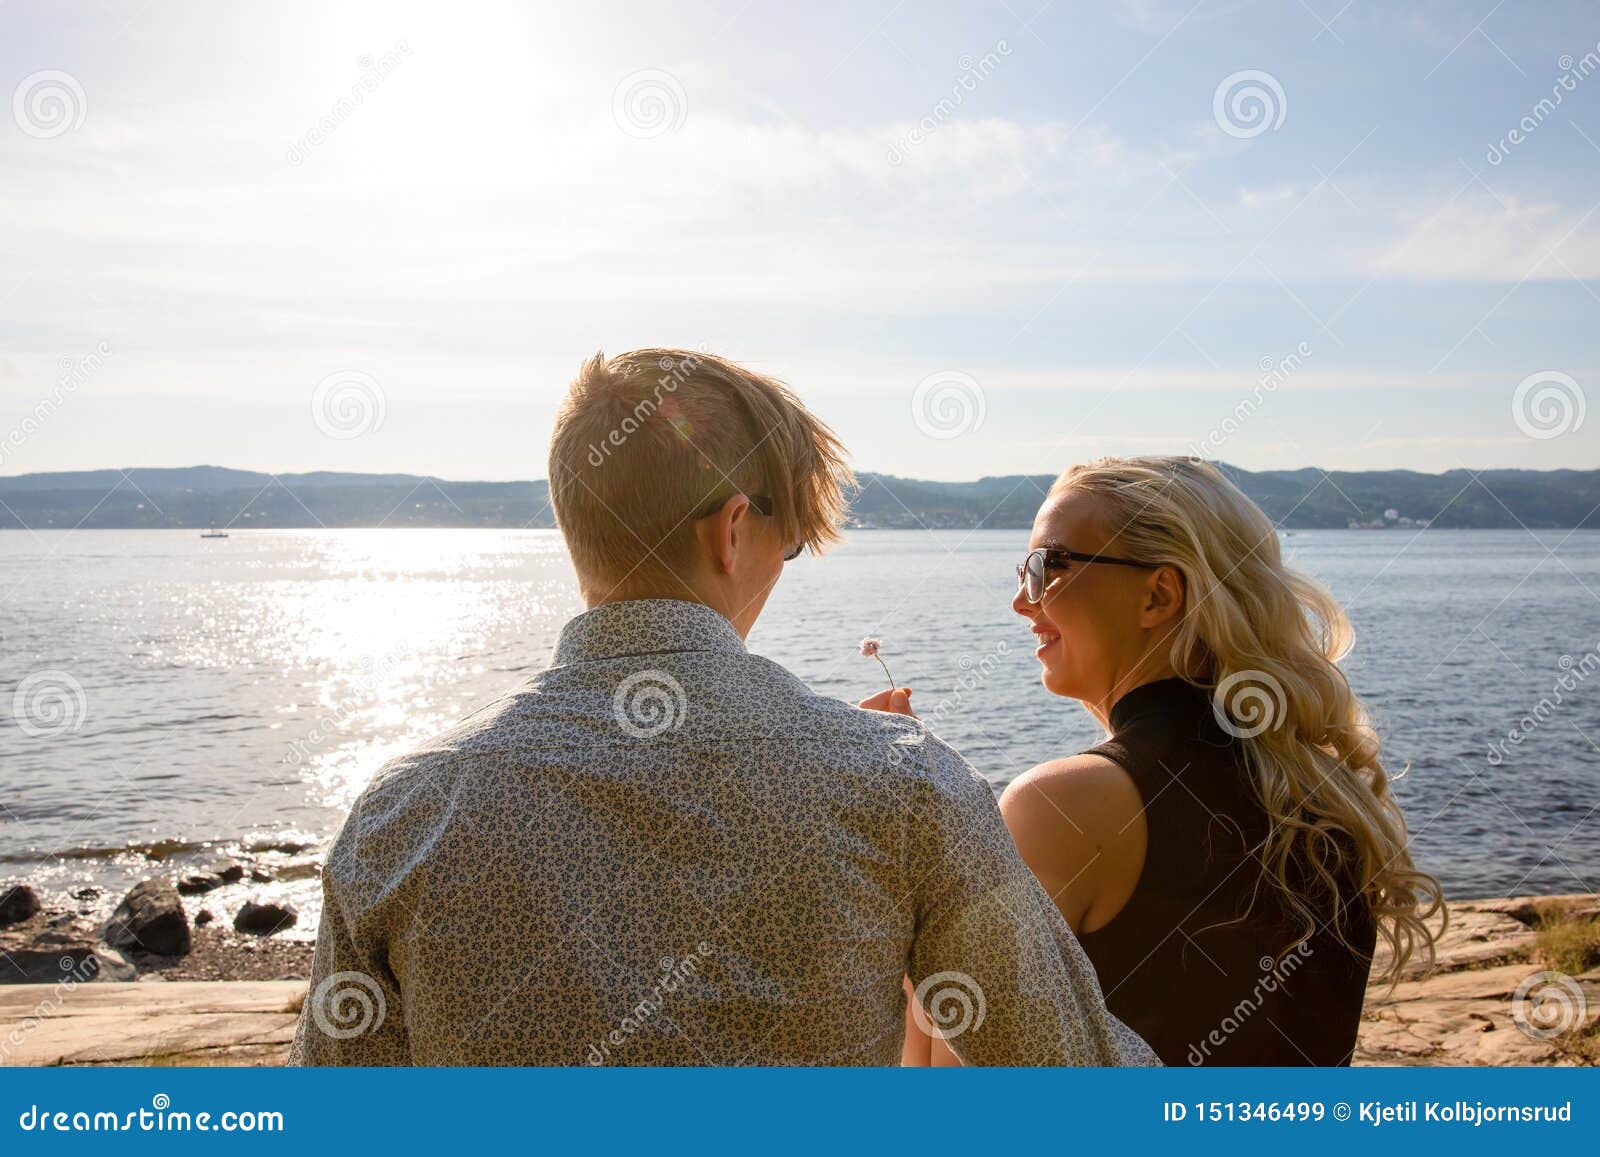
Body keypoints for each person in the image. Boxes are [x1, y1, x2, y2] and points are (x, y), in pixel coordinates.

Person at [290, 349, 1156, 1066]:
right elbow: (1074, 1076)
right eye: (796, 533)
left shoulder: (404, 813)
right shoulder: (903, 785)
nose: (789, 557)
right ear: (733, 528)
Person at [902, 456, 1441, 1067]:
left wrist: (910, 845)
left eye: (1047, 567)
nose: (1022, 602)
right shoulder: (1322, 788)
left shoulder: (1066, 809)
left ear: (1157, 594)